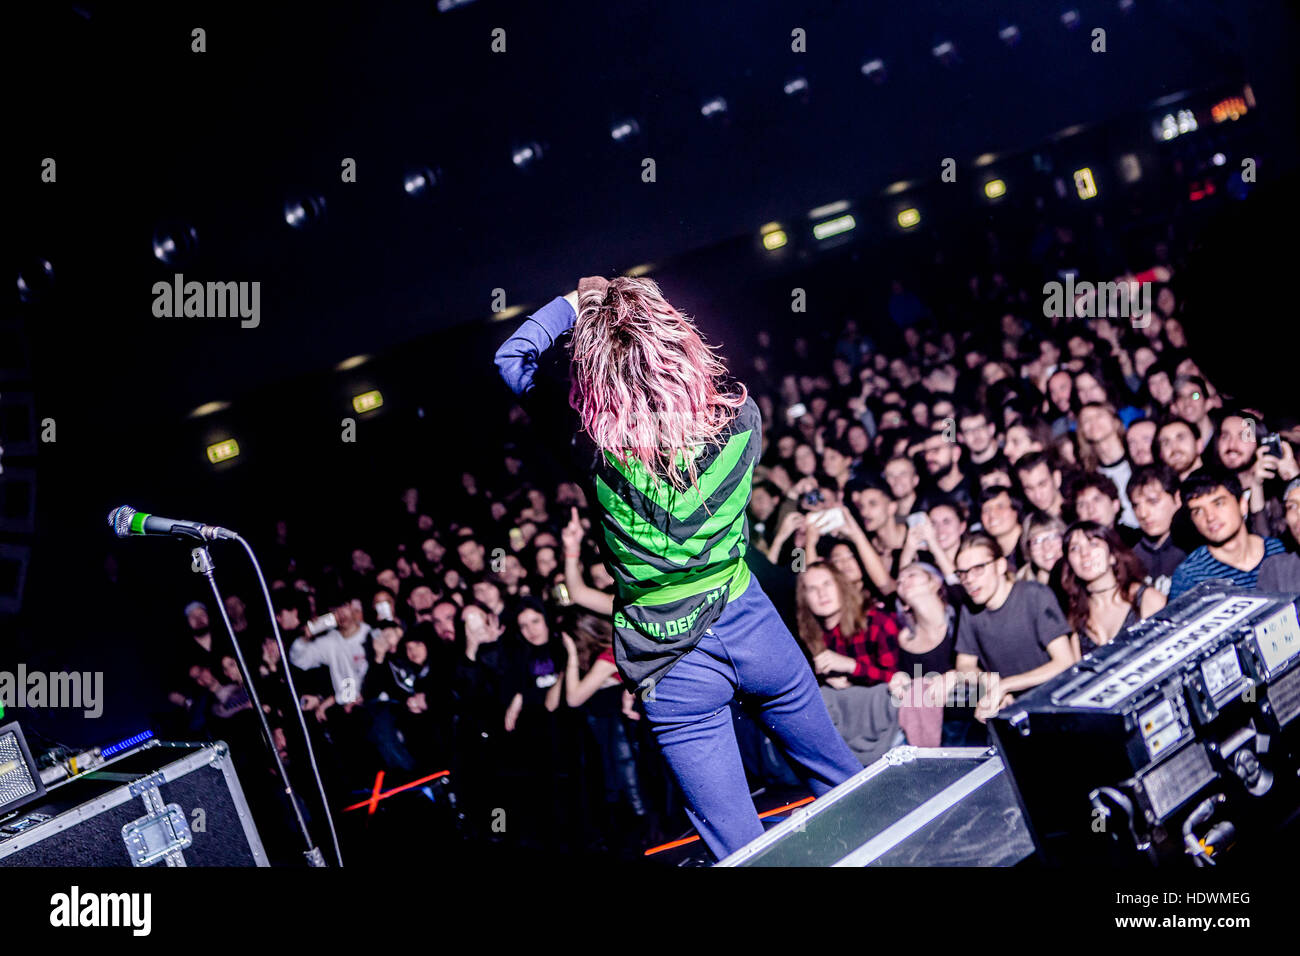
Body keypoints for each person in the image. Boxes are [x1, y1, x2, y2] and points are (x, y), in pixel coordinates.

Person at [494, 275, 863, 860]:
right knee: (843, 781)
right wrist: (639, 309)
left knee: (740, 848)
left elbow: (513, 358)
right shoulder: (744, 422)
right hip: (754, 630)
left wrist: (576, 303)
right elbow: (685, 380)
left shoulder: (590, 449)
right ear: (677, 343)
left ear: (595, 374)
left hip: (671, 665)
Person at [947, 532, 1074, 724]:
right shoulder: (970, 609)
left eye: (978, 569)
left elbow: (1065, 661)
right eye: (962, 573)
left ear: (1000, 566)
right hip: (1014, 715)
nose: (969, 579)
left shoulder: (1034, 595)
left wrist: (1005, 686)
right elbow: (964, 665)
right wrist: (989, 683)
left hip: (1058, 709)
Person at [1168, 469, 1288, 599]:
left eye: (1218, 503)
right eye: (1198, 511)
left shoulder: (1281, 550)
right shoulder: (1190, 576)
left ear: (1242, 505)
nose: (1210, 517)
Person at [1060, 522, 1166, 658]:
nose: (1084, 553)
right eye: (1074, 548)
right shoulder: (1076, 618)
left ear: (1112, 556)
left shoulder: (1146, 600)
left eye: (1093, 544)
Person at [1125, 464, 1188, 594]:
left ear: (1177, 498)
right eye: (1136, 505)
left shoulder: (1193, 548)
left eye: (1152, 502)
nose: (1142, 513)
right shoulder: (1132, 558)